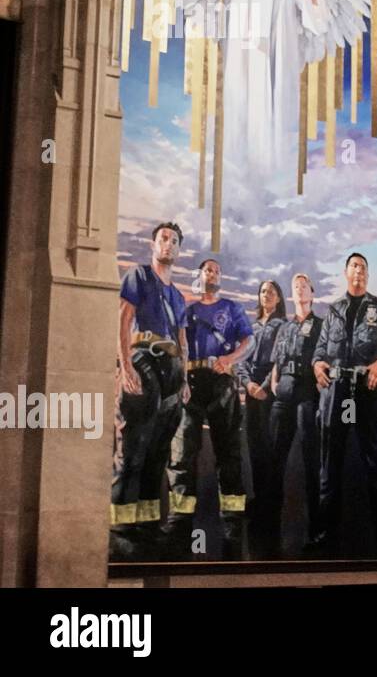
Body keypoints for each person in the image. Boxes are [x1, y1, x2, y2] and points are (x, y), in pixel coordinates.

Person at [310, 252, 377, 556]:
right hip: (336, 391)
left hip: (366, 389)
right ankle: (325, 539)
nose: (359, 271)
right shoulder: (334, 310)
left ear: (368, 274)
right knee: (329, 465)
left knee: (375, 463)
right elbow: (320, 350)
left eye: (364, 267)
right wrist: (316, 365)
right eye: (354, 266)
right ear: (346, 272)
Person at [164, 258, 254, 558]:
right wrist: (179, 381)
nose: (212, 273)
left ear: (220, 277)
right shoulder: (187, 312)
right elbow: (177, 346)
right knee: (181, 456)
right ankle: (179, 524)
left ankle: (232, 528)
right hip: (191, 382)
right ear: (199, 276)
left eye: (216, 270)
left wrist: (230, 360)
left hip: (221, 383)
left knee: (229, 457)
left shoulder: (231, 309)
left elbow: (248, 342)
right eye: (207, 270)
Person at [111, 222, 189, 561]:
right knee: (134, 448)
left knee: (158, 451)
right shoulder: (139, 276)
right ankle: (120, 529)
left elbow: (183, 341)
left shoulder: (178, 296)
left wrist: (184, 379)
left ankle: (145, 525)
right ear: (153, 245)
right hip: (144, 358)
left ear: (178, 250)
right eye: (163, 239)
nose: (168, 245)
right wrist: (125, 365)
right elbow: (124, 320)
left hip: (172, 369)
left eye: (174, 241)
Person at [267, 273, 324, 555]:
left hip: (307, 393)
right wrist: (276, 383)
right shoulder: (286, 328)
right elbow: (276, 360)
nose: (300, 290)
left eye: (304, 286)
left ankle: (316, 533)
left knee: (311, 463)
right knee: (275, 459)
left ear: (312, 293)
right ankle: (268, 529)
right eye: (296, 287)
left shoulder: (321, 326)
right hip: (285, 391)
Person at [240, 280, 285, 558]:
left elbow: (279, 359)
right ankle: (257, 501)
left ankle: (270, 506)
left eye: (271, 291)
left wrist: (264, 387)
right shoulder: (252, 327)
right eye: (262, 291)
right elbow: (242, 358)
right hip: (250, 392)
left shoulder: (282, 327)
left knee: (270, 451)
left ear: (278, 298)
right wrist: (247, 384)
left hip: (269, 394)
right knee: (254, 448)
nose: (266, 295)